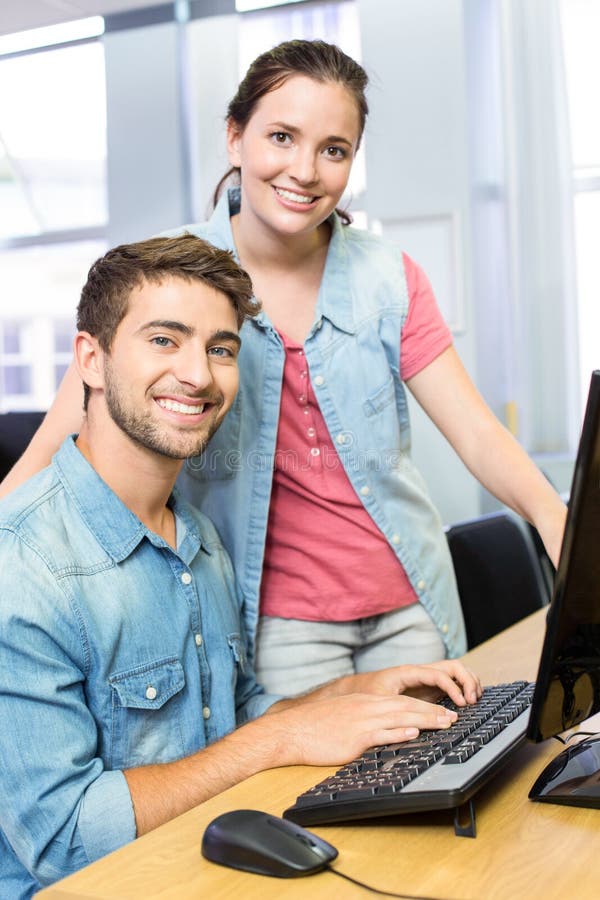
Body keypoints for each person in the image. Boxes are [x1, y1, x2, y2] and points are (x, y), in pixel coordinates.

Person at [0, 40, 567, 697]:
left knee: (441, 782)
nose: (305, 170)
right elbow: (51, 450)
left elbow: (476, 433)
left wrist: (557, 523)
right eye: (281, 137)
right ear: (235, 137)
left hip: (411, 599)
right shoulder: (168, 274)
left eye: (334, 149)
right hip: (276, 624)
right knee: (312, 796)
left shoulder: (390, 277)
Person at [0, 234, 481, 899]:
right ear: (91, 357)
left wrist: (351, 697)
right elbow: (63, 838)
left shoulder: (198, 537)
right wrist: (281, 739)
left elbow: (234, 712)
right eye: (164, 340)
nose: (199, 375)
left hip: (205, 871)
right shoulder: (21, 568)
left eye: (221, 349)